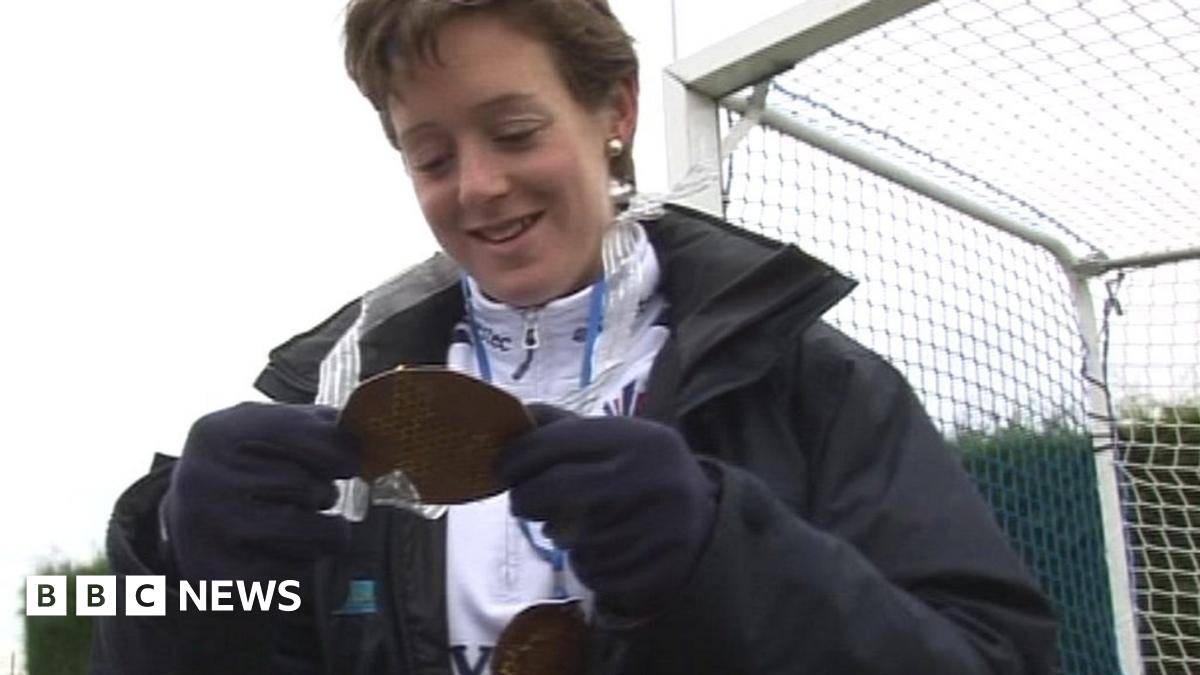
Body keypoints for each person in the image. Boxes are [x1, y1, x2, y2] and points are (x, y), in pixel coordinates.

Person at [91, 0, 1058, 673]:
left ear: (616, 110)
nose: (476, 186)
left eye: (514, 132)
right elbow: (101, 636)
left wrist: (722, 559)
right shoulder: (335, 406)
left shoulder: (810, 383)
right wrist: (176, 572)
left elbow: (998, 657)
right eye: (431, 155)